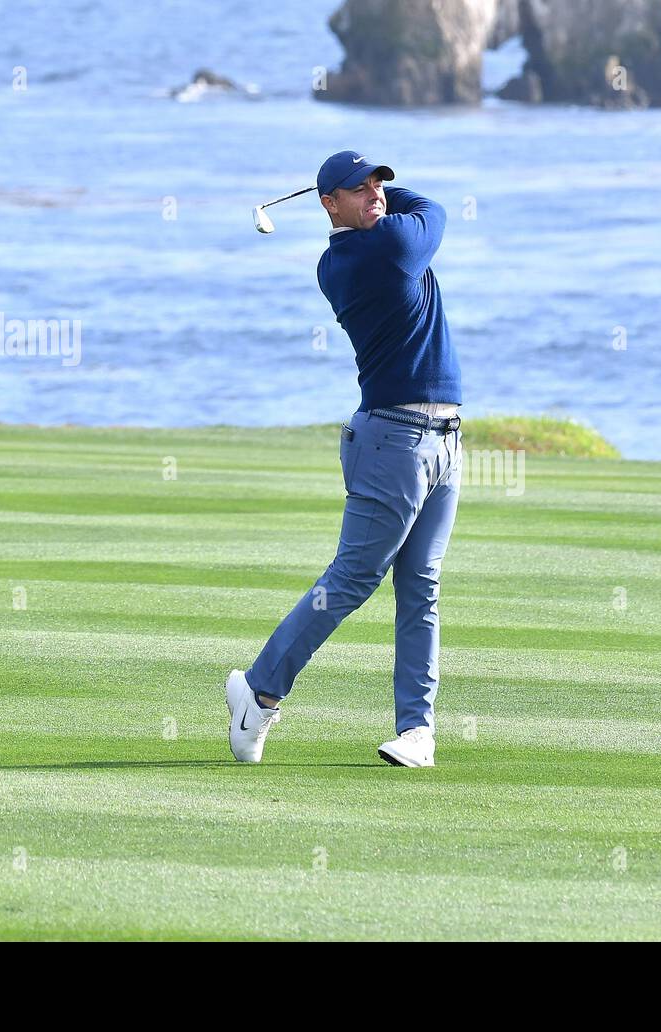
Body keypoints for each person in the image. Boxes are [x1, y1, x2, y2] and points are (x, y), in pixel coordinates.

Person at [225, 150, 463, 768]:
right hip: (392, 442)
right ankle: (259, 692)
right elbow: (433, 211)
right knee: (351, 581)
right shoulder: (370, 254)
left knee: (422, 587)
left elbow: (409, 211)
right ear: (328, 204)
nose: (376, 195)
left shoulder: (369, 241)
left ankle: (416, 731)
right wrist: (395, 195)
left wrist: (372, 190)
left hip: (441, 440)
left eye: (378, 184)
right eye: (358, 190)